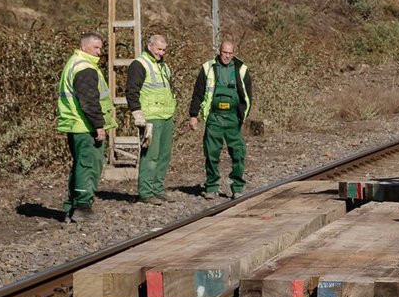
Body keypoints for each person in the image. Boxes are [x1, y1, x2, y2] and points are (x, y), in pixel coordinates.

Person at [57, 32, 117, 222]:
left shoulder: (74, 62)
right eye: (95, 48)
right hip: (85, 126)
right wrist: (98, 126)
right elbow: (89, 102)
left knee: (79, 166)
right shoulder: (85, 68)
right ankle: (82, 207)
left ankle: (72, 206)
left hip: (76, 125)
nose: (99, 52)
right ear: (84, 47)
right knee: (88, 166)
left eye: (101, 48)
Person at [188, 40, 253, 200]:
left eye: (230, 53)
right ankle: (211, 187)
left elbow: (248, 96)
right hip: (214, 117)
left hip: (233, 118)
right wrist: (193, 115)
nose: (227, 56)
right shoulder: (208, 68)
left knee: (238, 153)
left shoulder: (241, 69)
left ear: (234, 53)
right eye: (225, 53)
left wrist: (242, 116)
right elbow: (198, 93)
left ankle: (237, 187)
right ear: (220, 51)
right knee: (211, 153)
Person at [126, 33, 176, 205]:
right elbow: (132, 91)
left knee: (163, 155)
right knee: (150, 156)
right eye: (159, 49)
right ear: (150, 46)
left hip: (166, 115)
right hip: (150, 118)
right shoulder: (139, 65)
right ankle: (146, 192)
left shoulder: (163, 67)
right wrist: (137, 113)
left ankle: (158, 189)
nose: (161, 53)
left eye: (164, 50)